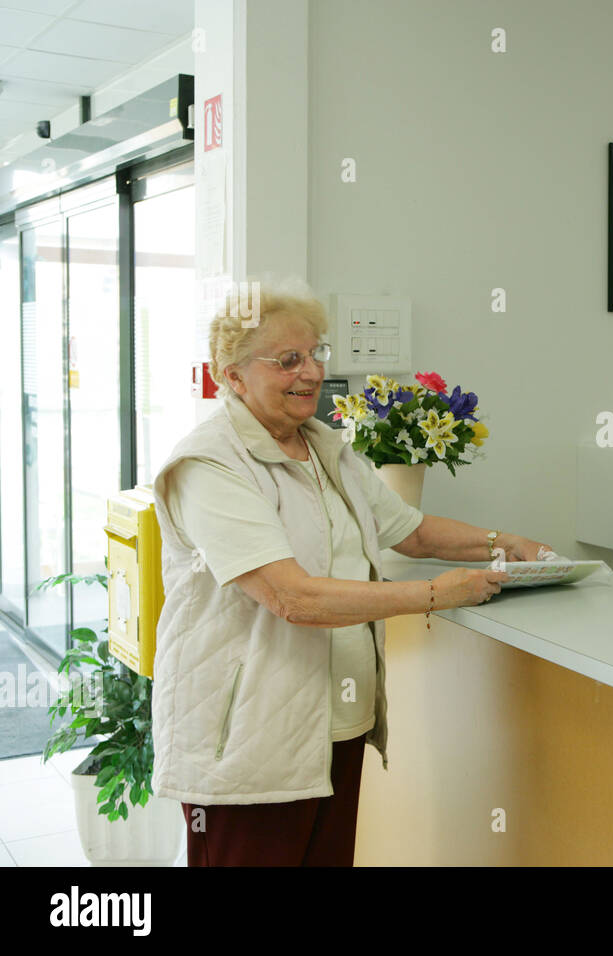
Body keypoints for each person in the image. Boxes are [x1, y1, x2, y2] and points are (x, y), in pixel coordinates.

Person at [149, 282, 548, 865]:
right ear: (233, 376)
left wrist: (500, 542)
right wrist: (436, 594)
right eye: (288, 360)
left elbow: (408, 530)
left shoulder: (321, 446)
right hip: (249, 737)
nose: (310, 372)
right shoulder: (208, 465)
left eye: (316, 353)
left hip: (336, 723)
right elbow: (291, 597)